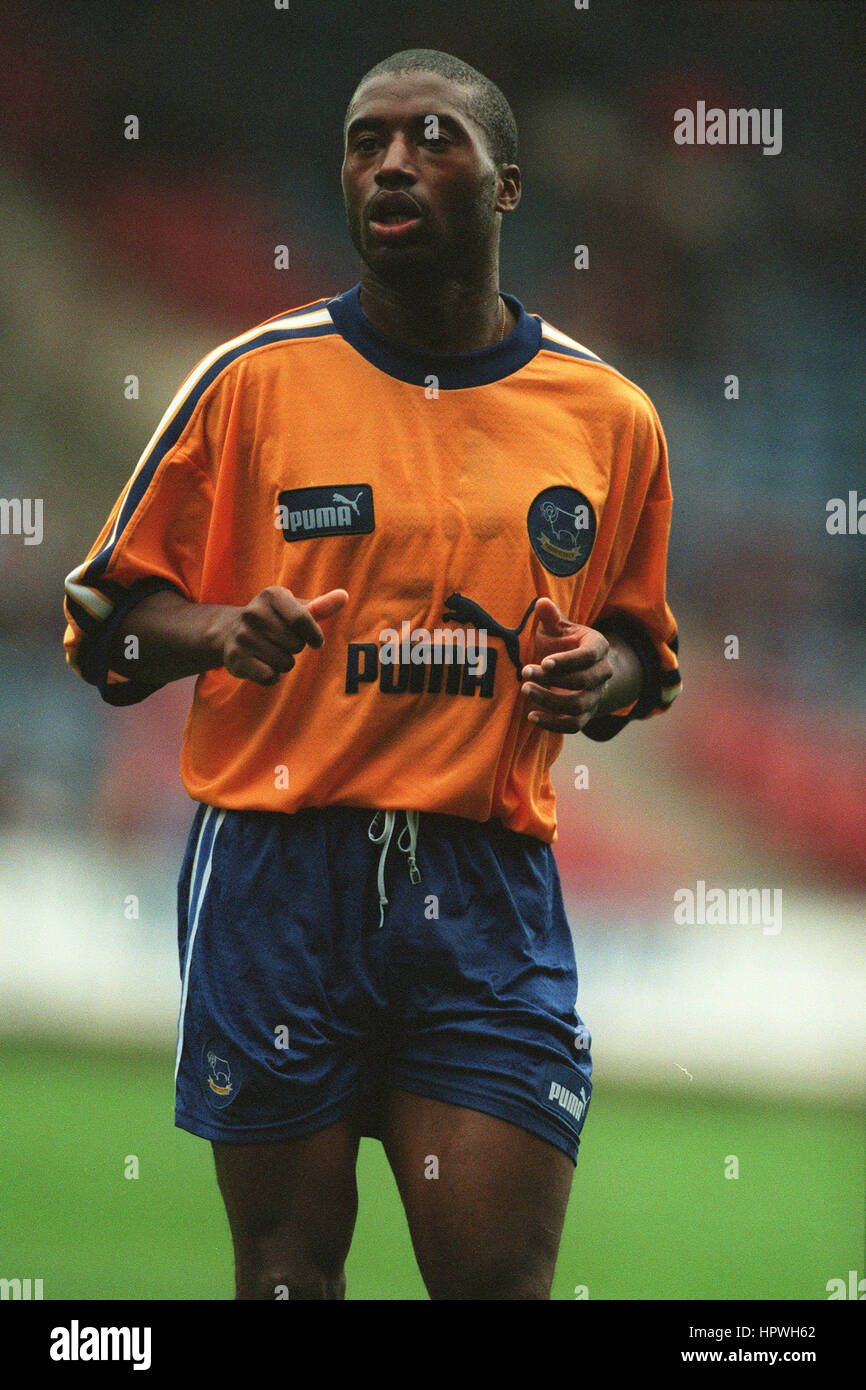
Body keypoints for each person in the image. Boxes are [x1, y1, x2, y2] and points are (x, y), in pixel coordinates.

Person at [63, 48, 681, 1301]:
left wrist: (597, 680)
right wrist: (219, 630)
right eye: (365, 140)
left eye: (431, 138)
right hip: (277, 877)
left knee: (495, 1280)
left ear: (505, 186)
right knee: (288, 1272)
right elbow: (105, 628)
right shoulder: (249, 382)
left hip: (485, 884)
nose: (391, 162)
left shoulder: (606, 415)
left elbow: (645, 656)